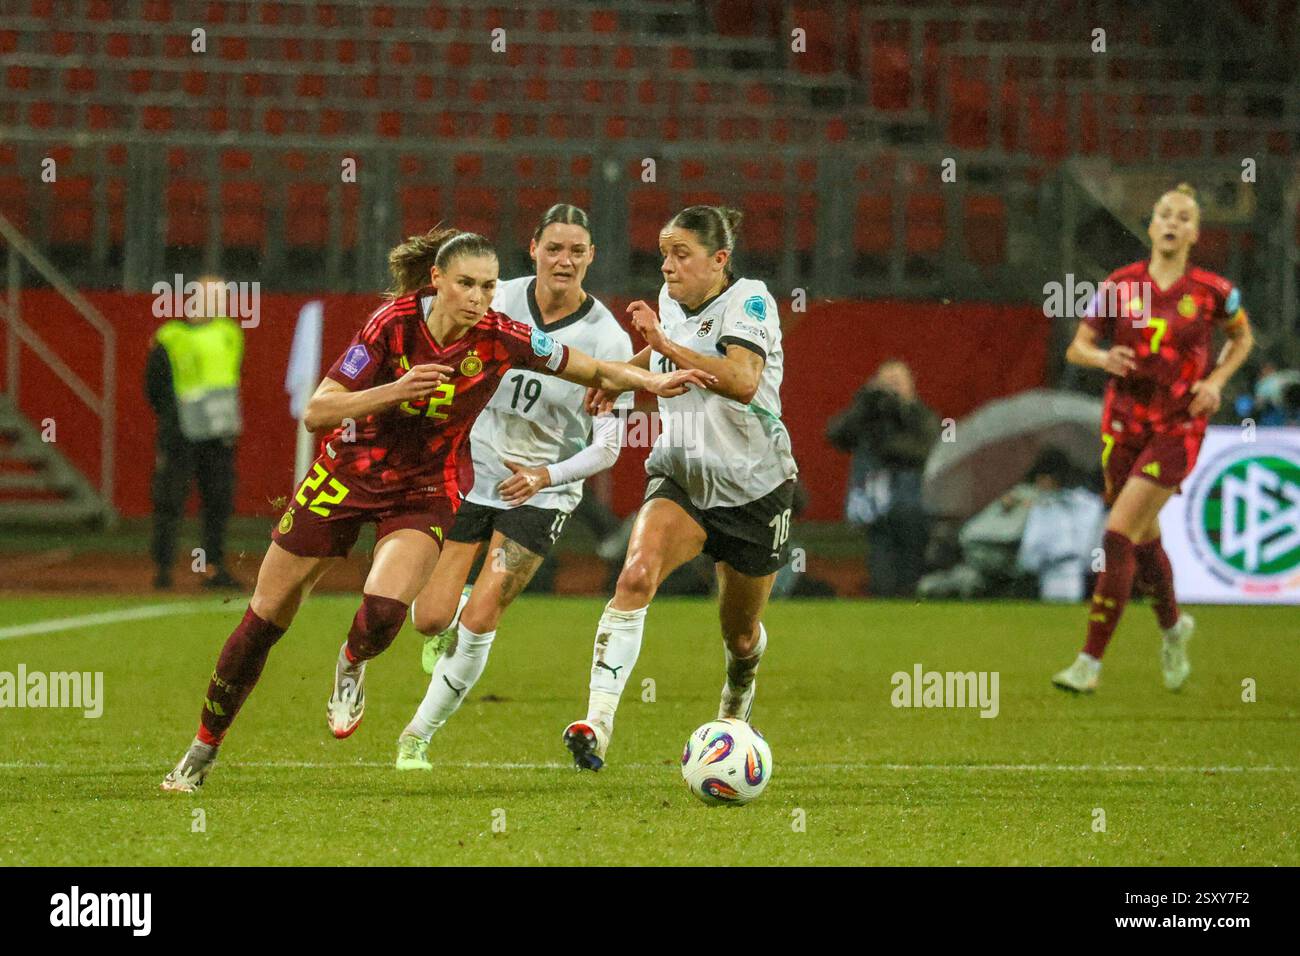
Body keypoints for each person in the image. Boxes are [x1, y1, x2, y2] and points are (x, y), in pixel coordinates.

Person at [160, 227, 710, 792]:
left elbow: (594, 370)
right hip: (346, 476)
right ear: (437, 282)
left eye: (489, 287)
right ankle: (202, 750)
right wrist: (395, 390)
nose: (478, 298)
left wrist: (652, 379)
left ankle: (351, 662)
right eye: (467, 285)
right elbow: (319, 411)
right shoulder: (392, 324)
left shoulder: (503, 335)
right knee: (264, 619)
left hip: (425, 489)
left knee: (386, 615)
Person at [389, 204, 635, 771]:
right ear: (534, 249)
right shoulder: (496, 300)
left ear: (592, 256)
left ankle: (416, 736)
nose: (565, 260)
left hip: (542, 491)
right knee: (429, 618)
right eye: (555, 248)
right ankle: (445, 628)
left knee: (482, 614)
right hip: (471, 471)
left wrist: (546, 476)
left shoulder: (609, 341)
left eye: (577, 250)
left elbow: (608, 447)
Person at [559, 205, 798, 771]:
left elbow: (741, 380)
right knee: (636, 573)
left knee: (740, 637)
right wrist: (618, 378)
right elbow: (662, 349)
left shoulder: (751, 300)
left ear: (719, 260)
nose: (667, 265)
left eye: (681, 254)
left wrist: (663, 346)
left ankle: (736, 703)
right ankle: (597, 722)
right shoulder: (673, 300)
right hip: (683, 473)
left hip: (755, 487)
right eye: (664, 253)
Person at [1052, 183, 1254, 694]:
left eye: (1183, 217)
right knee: (1143, 540)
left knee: (1118, 533)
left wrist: (1215, 383)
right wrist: (1103, 358)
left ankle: (1089, 663)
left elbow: (1242, 338)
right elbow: (1077, 347)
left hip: (1178, 425)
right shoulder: (1119, 285)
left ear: (1195, 232)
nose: (1171, 222)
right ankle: (1172, 628)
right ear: (1150, 226)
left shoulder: (1213, 291)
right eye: (1164, 213)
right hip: (1122, 423)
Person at [145, 275, 244, 589]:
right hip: (180, 432)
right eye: (212, 297)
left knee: (218, 501)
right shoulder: (170, 336)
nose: (219, 303)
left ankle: (212, 567)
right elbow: (154, 385)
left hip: (218, 433)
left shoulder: (229, 333)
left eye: (222, 297)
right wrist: (175, 417)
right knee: (169, 500)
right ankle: (163, 569)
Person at [826, 359, 940, 597]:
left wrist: (898, 420)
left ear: (911, 386)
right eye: (885, 383)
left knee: (910, 568)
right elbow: (836, 435)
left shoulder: (921, 415)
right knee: (881, 571)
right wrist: (863, 404)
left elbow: (926, 449)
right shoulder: (869, 416)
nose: (891, 390)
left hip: (912, 505)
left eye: (897, 383)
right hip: (877, 506)